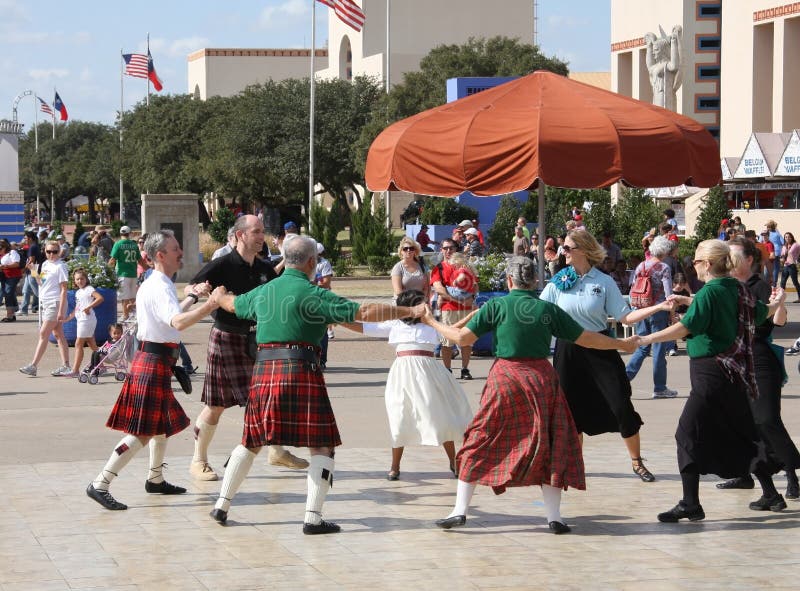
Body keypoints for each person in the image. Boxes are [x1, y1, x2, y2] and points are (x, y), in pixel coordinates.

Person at [209, 235, 427, 533]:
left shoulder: (264, 291)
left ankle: (221, 505)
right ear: (312, 262)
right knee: (321, 445)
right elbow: (363, 312)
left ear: (285, 259)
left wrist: (219, 296)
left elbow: (233, 305)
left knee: (252, 440)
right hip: (301, 370)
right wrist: (409, 311)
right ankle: (312, 517)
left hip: (264, 372)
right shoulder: (315, 294)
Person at [424, 256, 638, 534]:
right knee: (550, 442)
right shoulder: (547, 309)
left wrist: (431, 321)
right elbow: (586, 337)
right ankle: (554, 517)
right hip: (541, 380)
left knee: (480, 438)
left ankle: (459, 511)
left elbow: (462, 338)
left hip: (506, 378)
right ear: (535, 281)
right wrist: (621, 343)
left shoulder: (497, 306)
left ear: (509, 281)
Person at [635, 240, 785, 522]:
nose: (693, 266)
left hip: (710, 374)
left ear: (707, 264)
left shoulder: (709, 293)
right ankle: (771, 493)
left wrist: (645, 339)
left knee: (686, 434)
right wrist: (774, 304)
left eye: (695, 262)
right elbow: (759, 312)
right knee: (740, 434)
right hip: (734, 373)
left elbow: (685, 327)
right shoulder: (736, 287)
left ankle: (690, 503)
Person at [86, 230, 223, 511]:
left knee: (158, 426)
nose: (181, 253)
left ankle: (156, 479)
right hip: (153, 361)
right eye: (175, 249)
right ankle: (100, 483)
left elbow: (169, 317)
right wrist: (210, 304)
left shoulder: (156, 283)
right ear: (160, 256)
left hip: (157, 360)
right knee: (141, 432)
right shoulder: (159, 286)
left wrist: (194, 298)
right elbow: (179, 323)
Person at [540, 230, 671, 483]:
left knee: (621, 404)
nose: (562, 252)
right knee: (570, 410)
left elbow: (625, 317)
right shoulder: (559, 280)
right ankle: (575, 465)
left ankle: (636, 462)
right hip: (568, 350)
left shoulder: (603, 282)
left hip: (600, 347)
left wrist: (658, 306)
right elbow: (541, 310)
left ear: (583, 250)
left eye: (567, 248)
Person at [185, 215, 307, 481]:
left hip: (256, 340)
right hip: (226, 338)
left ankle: (276, 452)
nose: (262, 236)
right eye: (256, 231)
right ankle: (198, 460)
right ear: (241, 235)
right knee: (216, 405)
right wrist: (200, 289)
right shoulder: (222, 264)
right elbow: (190, 286)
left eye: (262, 231)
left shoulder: (263, 267)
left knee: (267, 397)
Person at [342, 289, 473, 481]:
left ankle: (453, 462)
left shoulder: (431, 325)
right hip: (403, 373)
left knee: (441, 416)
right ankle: (395, 466)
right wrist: (335, 318)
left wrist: (470, 316)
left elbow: (453, 331)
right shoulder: (394, 325)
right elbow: (362, 327)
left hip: (430, 373)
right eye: (423, 303)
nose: (428, 306)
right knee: (399, 416)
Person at [714, 237, 800, 503]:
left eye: (735, 255)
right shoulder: (726, 287)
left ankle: (791, 473)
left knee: (766, 419)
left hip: (759, 359)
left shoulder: (759, 286)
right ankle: (747, 474)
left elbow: (778, 321)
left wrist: (781, 303)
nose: (729, 261)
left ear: (749, 260)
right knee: (742, 423)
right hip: (734, 361)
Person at [625, 236, 678, 398]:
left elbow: (632, 287)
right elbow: (669, 294)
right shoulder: (664, 268)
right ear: (665, 252)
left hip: (641, 309)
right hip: (659, 310)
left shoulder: (641, 265)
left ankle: (624, 378)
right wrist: (672, 314)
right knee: (659, 348)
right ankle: (660, 388)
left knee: (642, 346)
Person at [19, 241, 71, 377]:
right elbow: (41, 281)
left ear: (59, 252)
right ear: (45, 252)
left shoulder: (61, 266)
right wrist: (33, 271)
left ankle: (33, 365)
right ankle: (66, 365)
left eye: (54, 251)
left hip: (55, 303)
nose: (51, 254)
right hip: (47, 302)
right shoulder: (46, 264)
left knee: (43, 333)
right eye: (49, 252)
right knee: (59, 335)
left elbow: (64, 289)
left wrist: (60, 310)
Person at [431, 238, 476, 380]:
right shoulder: (438, 268)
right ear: (441, 250)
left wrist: (472, 297)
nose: (448, 251)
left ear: (456, 249)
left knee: (467, 340)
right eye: (445, 248)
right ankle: (447, 370)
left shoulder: (465, 266)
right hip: (448, 308)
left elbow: (475, 286)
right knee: (447, 342)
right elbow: (439, 289)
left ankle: (465, 369)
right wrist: (457, 300)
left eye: (451, 248)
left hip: (466, 308)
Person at [64, 268, 105, 377]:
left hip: (87, 320)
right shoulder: (78, 292)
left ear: (86, 279)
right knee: (92, 344)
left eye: (81, 279)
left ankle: (75, 370)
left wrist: (89, 307)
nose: (79, 281)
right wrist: (68, 318)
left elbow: (100, 298)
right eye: (77, 279)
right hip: (82, 320)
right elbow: (78, 307)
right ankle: (102, 365)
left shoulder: (89, 289)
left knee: (78, 344)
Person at [108, 225, 145, 319]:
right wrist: (148, 268)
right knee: (132, 296)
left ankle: (125, 315)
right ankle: (134, 315)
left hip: (122, 274)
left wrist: (106, 269)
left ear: (121, 234)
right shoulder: (134, 244)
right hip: (133, 273)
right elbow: (140, 260)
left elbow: (112, 260)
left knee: (124, 297)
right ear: (129, 234)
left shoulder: (118, 244)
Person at [315, 242, 335, 365]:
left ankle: (322, 359)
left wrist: (311, 284)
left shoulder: (324, 263)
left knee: (322, 329)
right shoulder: (303, 261)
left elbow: (326, 283)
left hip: (322, 298)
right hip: (307, 298)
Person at [0, 239, 22, 322]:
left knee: (8, 293)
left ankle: (10, 315)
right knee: (9, 293)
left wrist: (4, 266)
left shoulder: (12, 253)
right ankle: (12, 314)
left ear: (5, 247)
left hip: (13, 276)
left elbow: (16, 264)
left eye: (0, 249)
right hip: (4, 276)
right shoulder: (1, 255)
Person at [19, 231, 41, 316]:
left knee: (37, 291)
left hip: (33, 270)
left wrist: (23, 269)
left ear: (30, 239)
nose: (24, 240)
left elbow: (31, 261)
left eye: (25, 238)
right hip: (32, 270)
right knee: (26, 291)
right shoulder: (34, 246)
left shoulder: (32, 247)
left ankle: (46, 304)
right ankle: (24, 310)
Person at [779, 232, 800, 303]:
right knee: (782, 282)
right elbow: (782, 254)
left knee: (795, 283)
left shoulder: (796, 245)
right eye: (786, 237)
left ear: (792, 237)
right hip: (785, 265)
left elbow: (792, 253)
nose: (787, 238)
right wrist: (781, 258)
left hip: (792, 265)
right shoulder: (784, 246)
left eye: (789, 237)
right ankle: (780, 298)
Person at [765, 220, 784, 287]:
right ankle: (774, 284)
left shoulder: (765, 234)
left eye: (767, 226)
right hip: (776, 253)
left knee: (767, 268)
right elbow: (783, 242)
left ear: (770, 227)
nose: (766, 228)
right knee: (775, 270)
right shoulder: (777, 234)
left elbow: (760, 241)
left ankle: (767, 283)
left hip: (768, 253)